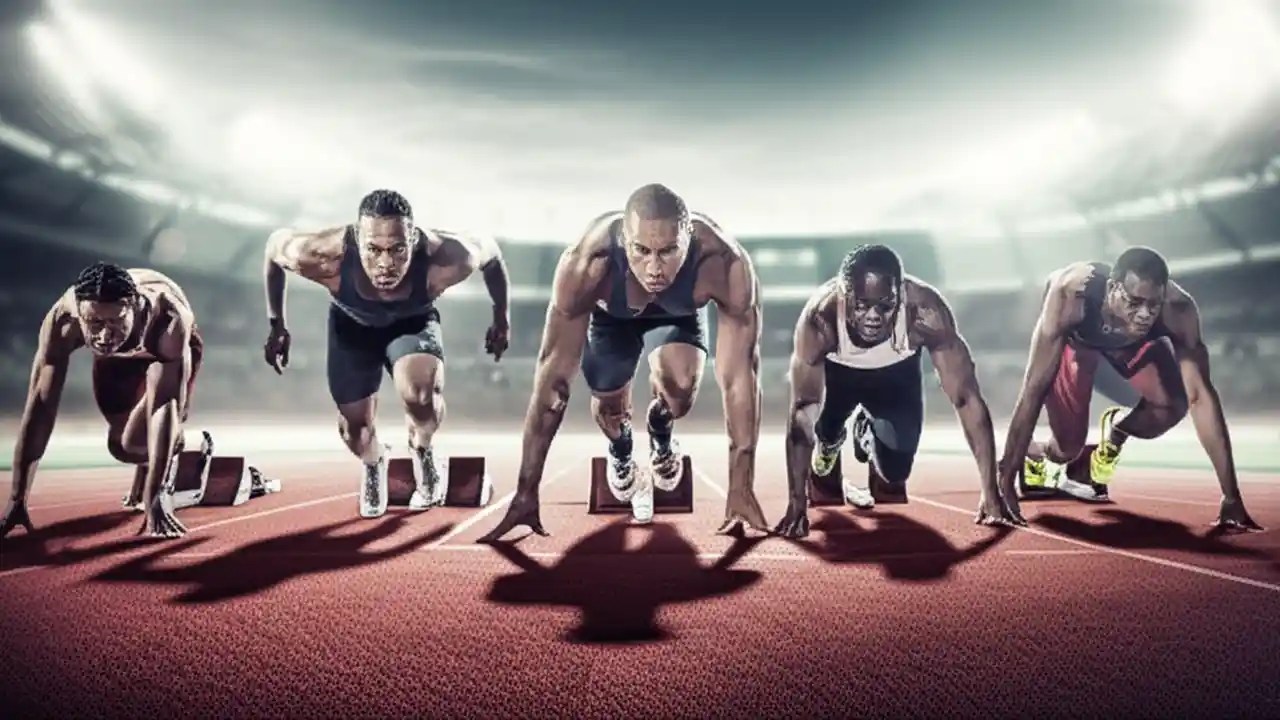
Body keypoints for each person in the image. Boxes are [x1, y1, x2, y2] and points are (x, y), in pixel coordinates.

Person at [479, 183, 768, 541]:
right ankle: (622, 448)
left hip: (678, 316)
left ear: (689, 237)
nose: (654, 268)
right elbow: (553, 383)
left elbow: (740, 378)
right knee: (608, 409)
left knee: (680, 393)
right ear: (624, 238)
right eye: (642, 251)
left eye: (668, 251)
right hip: (611, 319)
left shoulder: (724, 262)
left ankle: (661, 435)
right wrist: (526, 490)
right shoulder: (588, 263)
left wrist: (741, 486)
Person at [263, 189, 510, 519]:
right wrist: (276, 324)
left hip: (412, 322)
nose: (385, 264)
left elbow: (491, 255)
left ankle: (422, 449)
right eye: (374, 250)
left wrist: (501, 319)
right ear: (357, 237)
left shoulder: (447, 256)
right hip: (351, 328)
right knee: (354, 429)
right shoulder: (324, 254)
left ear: (413, 238)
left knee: (421, 394)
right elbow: (273, 248)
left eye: (397, 250)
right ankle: (374, 460)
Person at [997, 246, 1262, 531]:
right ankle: (1034, 454)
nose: (1145, 315)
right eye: (1135, 301)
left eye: (1154, 304)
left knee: (1173, 406)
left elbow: (1201, 396)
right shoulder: (1071, 294)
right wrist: (1004, 484)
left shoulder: (1177, 309)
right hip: (1077, 343)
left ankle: (1115, 433)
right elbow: (1034, 388)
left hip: (1127, 346)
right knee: (1067, 448)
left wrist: (1231, 496)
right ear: (1112, 288)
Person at [773, 244, 1019, 538]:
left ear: (900, 294)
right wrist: (796, 504)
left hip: (896, 378)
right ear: (844, 293)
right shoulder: (820, 320)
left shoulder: (926, 313)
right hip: (838, 375)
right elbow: (803, 408)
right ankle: (831, 443)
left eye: (885, 305)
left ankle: (867, 431)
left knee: (895, 473)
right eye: (862, 305)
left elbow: (966, 398)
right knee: (824, 433)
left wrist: (990, 493)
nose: (874, 316)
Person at [2, 263, 203, 539]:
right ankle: (146, 464)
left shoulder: (168, 321)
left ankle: (179, 450)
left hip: (161, 349)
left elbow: (163, 404)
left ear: (132, 307)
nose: (105, 336)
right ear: (79, 315)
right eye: (94, 323)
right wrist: (17, 496)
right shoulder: (63, 319)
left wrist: (154, 497)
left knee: (138, 441)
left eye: (115, 322)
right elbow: (40, 406)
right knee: (121, 448)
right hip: (119, 359)